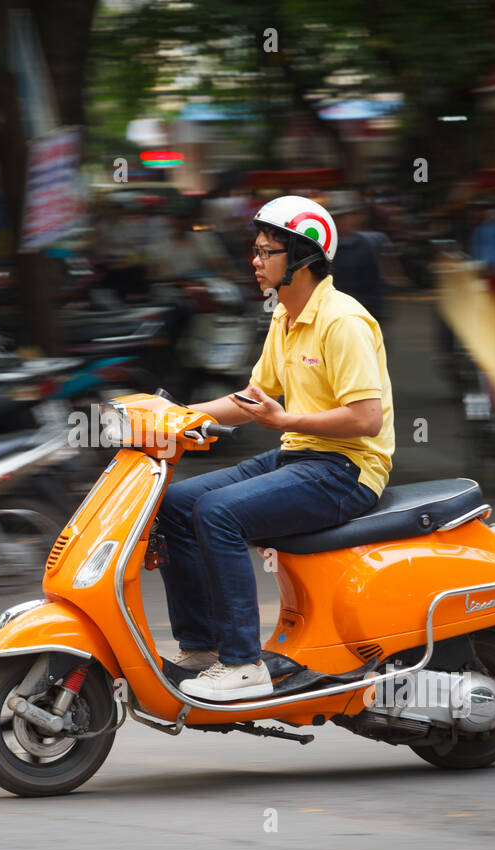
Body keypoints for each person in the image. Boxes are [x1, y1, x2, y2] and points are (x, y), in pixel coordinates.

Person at [156, 196, 395, 701]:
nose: (255, 261)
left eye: (267, 252)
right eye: (256, 251)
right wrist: (176, 414)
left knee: (218, 513)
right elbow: (252, 400)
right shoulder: (286, 316)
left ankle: (243, 664)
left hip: (347, 469)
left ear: (303, 258)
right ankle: (201, 648)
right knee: (175, 504)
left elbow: (366, 419)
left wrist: (287, 420)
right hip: (299, 456)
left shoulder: (341, 321)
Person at [329, 190, 385, 323]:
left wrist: (378, 318)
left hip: (358, 315)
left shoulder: (363, 246)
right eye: (338, 217)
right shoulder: (323, 246)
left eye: (347, 216)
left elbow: (373, 286)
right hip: (329, 316)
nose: (344, 221)